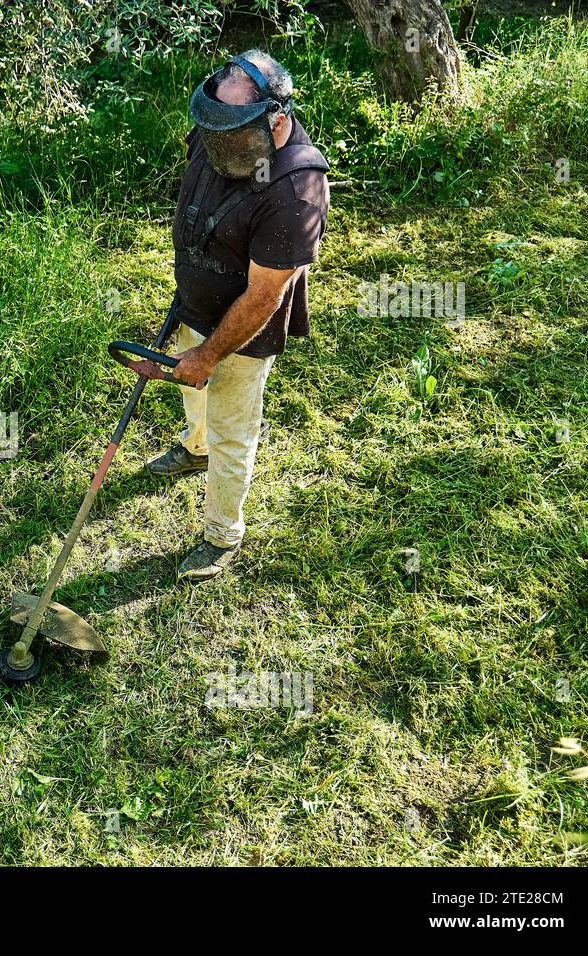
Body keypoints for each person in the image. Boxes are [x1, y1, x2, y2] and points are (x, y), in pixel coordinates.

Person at [125, 49, 331, 581]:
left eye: (231, 135)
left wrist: (211, 352)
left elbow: (264, 298)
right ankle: (195, 449)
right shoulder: (221, 129)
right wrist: (193, 343)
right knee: (190, 386)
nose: (216, 146)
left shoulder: (296, 192)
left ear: (276, 119)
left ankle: (222, 534)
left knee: (232, 427)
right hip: (194, 300)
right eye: (210, 130)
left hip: (241, 331)